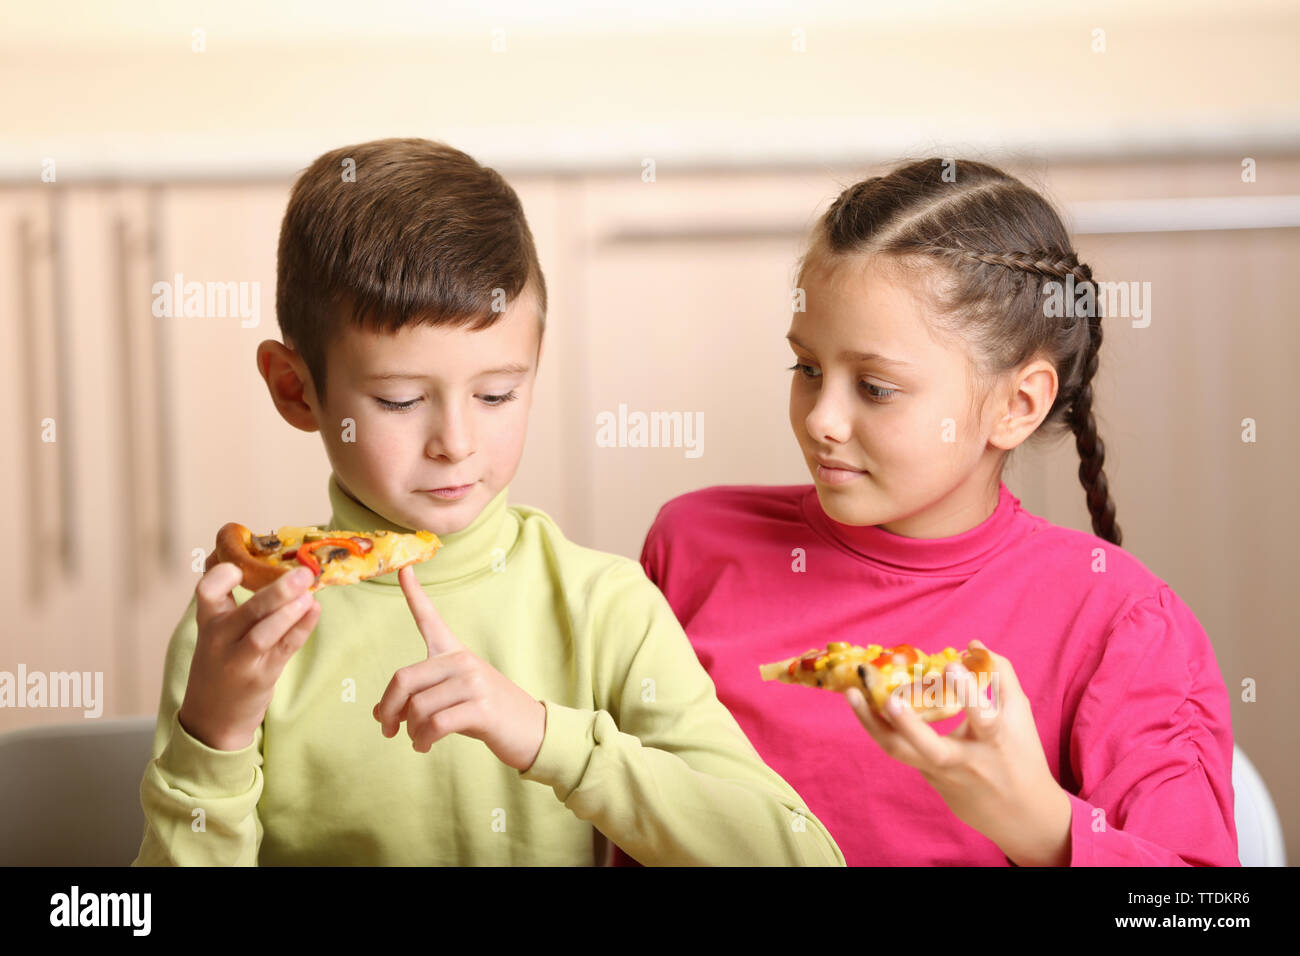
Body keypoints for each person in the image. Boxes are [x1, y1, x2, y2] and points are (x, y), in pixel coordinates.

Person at [131, 137, 844, 866]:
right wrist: (214, 737)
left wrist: (546, 738)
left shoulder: (603, 606)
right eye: (400, 399)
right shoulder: (240, 632)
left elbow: (799, 857)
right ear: (296, 388)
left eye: (497, 393)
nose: (457, 442)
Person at [613, 158, 1238, 866]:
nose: (822, 418)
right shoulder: (694, 545)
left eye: (875, 388)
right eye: (807, 369)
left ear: (1016, 405)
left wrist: (1040, 827)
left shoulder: (1121, 622)